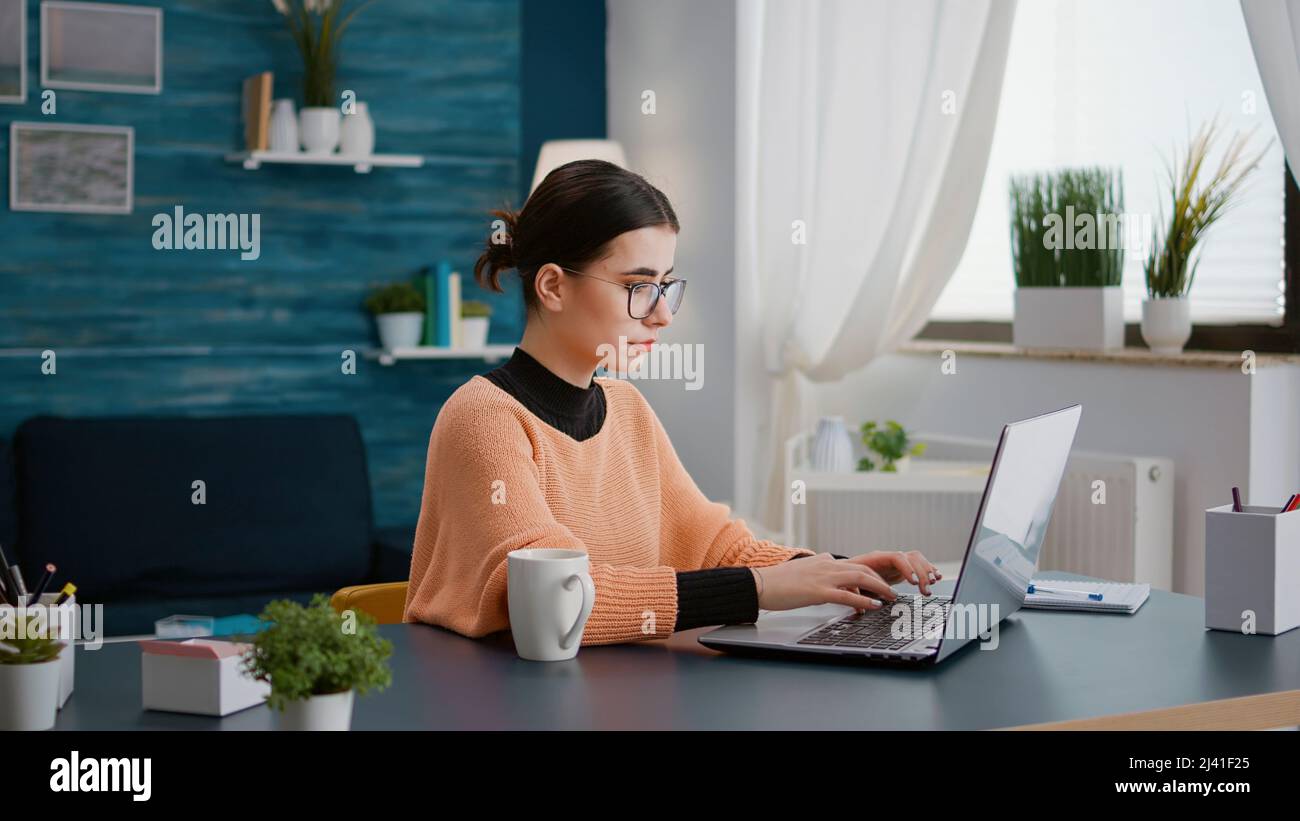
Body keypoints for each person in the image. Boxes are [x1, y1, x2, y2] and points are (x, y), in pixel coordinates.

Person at [403, 159, 941, 645]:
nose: (661, 316)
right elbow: (555, 599)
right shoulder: (485, 419)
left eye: (666, 286)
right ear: (553, 287)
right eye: (638, 286)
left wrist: (833, 572)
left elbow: (713, 547)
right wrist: (759, 589)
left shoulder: (627, 410)